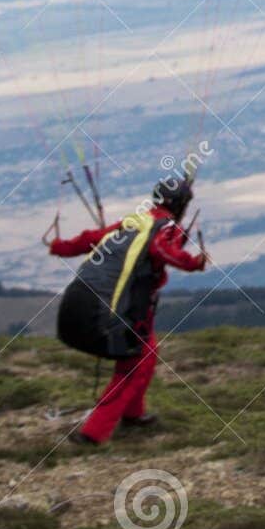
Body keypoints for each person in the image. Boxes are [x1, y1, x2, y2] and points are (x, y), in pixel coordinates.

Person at [50, 169, 207, 445]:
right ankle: (93, 434)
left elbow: (91, 238)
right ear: (181, 205)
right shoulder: (166, 227)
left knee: (147, 351)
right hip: (105, 312)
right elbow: (162, 249)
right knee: (133, 365)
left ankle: (134, 414)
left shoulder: (135, 221)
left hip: (78, 304)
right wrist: (193, 262)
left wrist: (59, 246)